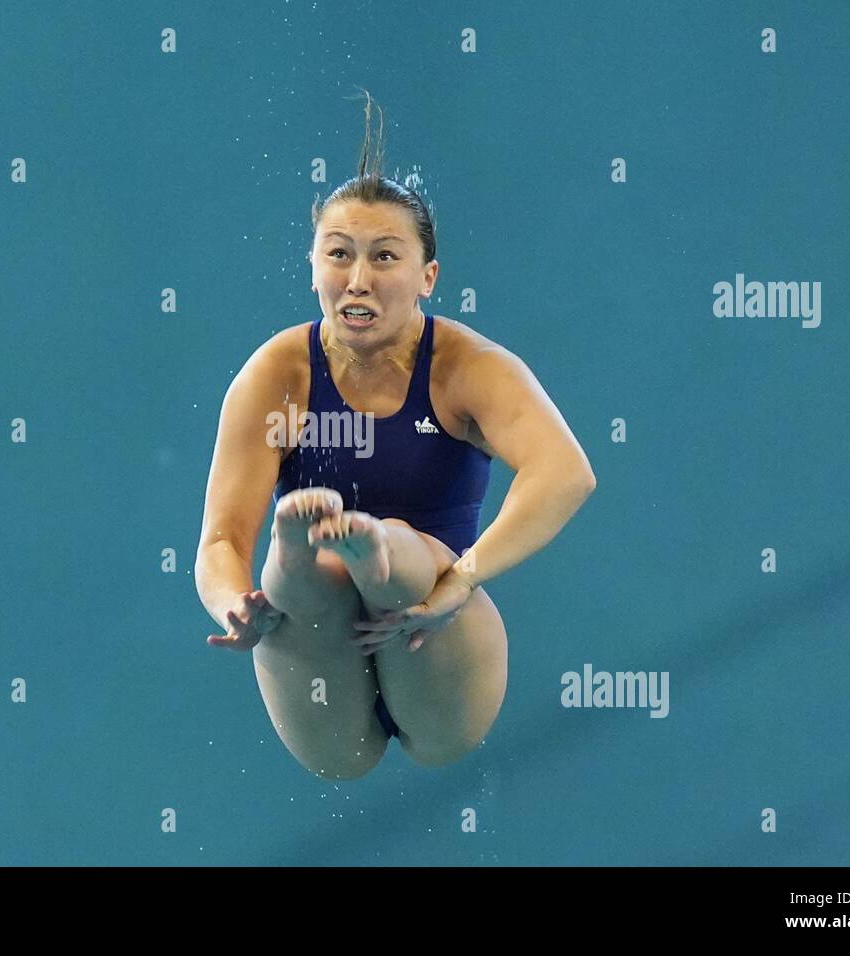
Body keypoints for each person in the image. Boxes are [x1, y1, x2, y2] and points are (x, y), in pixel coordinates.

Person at [195, 93, 596, 779]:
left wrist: (462, 578)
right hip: (320, 652)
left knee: (408, 561)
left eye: (385, 257)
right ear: (313, 266)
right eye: (339, 254)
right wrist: (233, 604)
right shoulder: (277, 373)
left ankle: (377, 552)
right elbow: (219, 543)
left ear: (426, 277)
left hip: (436, 629)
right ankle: (312, 555)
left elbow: (567, 474)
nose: (359, 278)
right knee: (309, 579)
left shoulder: (467, 367)